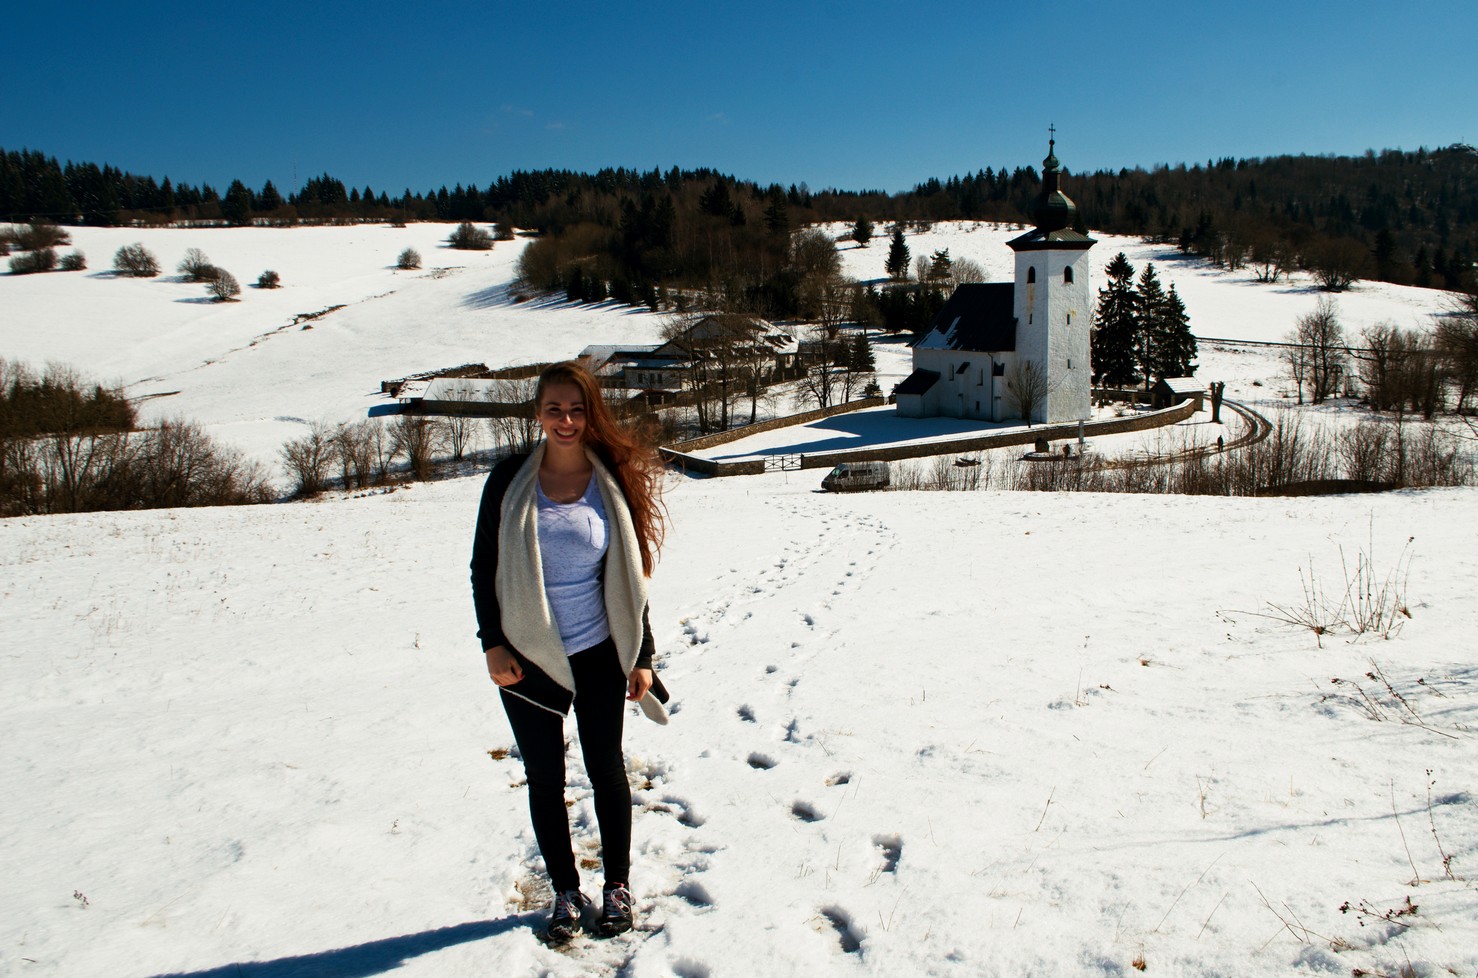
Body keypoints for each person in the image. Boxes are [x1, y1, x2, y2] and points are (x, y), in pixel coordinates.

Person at [470, 361, 669, 943]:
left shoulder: (609, 481)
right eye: (555, 409)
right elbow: (484, 568)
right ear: (537, 413)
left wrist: (641, 653)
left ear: (590, 414)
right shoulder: (509, 481)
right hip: (527, 656)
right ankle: (565, 890)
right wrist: (493, 644)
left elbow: (631, 577)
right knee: (545, 778)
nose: (566, 420)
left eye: (577, 410)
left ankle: (617, 887)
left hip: (598, 649)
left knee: (607, 770)